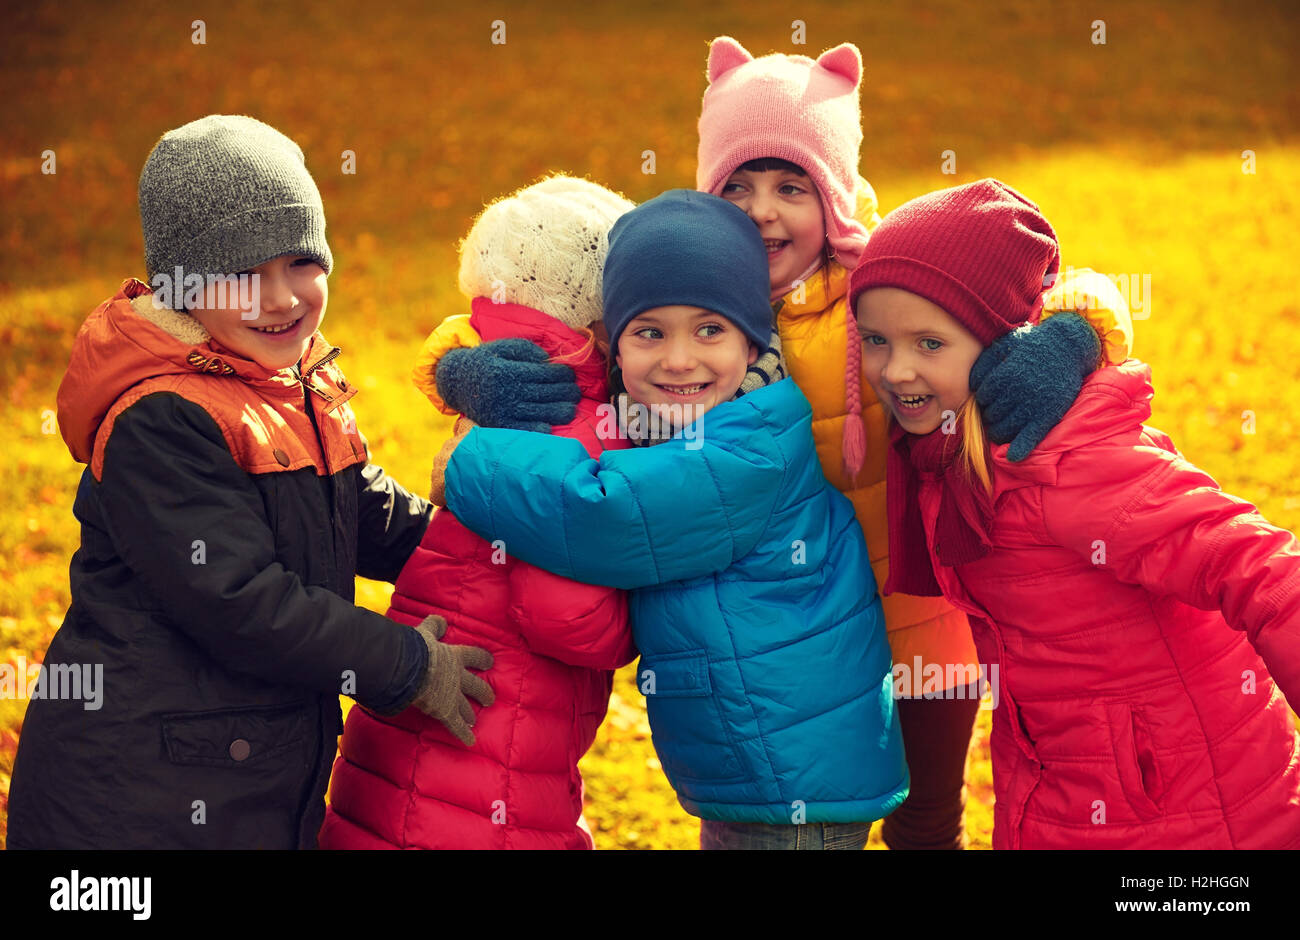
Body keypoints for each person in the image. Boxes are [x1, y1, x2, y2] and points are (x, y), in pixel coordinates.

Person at [6, 114, 492, 850]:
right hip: (138, 800)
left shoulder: (277, 382)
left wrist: (480, 540)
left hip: (234, 772)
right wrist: (405, 665)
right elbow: (239, 602)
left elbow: (354, 507)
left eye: (300, 260)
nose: (281, 298)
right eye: (240, 275)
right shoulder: (162, 418)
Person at [437, 190, 909, 850]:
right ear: (614, 345)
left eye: (710, 330)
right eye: (650, 332)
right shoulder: (696, 425)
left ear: (752, 343)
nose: (679, 359)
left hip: (794, 785)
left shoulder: (749, 449)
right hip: (765, 769)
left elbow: (606, 513)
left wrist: (469, 462)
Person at [851, 177, 1300, 848]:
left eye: (930, 344)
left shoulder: (1071, 464)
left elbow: (1261, 569)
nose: (895, 370)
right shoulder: (944, 457)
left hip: (1191, 811)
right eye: (877, 340)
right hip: (1058, 789)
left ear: (1003, 342)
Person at [319, 176, 637, 849]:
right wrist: (644, 620)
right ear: (598, 318)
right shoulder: (579, 428)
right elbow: (566, 612)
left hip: (409, 742)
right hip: (492, 740)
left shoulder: (498, 389)